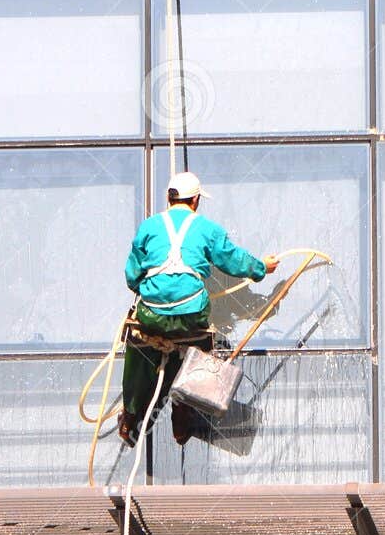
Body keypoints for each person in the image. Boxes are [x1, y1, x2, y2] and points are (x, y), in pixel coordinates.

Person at [119, 171, 279, 447]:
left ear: (169, 199)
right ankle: (183, 415)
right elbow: (234, 261)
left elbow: (132, 276)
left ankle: (132, 414)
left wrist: (154, 289)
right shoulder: (207, 228)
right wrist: (262, 268)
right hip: (191, 313)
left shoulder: (148, 227)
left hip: (152, 313)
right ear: (195, 201)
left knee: (140, 347)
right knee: (199, 343)